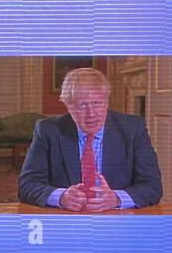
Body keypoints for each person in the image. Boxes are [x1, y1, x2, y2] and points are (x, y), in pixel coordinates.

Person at [18, 67, 163, 211]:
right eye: (82, 105)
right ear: (68, 106)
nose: (91, 114)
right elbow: (27, 185)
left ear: (106, 102)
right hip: (68, 221)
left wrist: (116, 199)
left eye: (96, 103)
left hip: (117, 222)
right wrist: (61, 197)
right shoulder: (48, 130)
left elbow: (152, 186)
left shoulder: (133, 129)